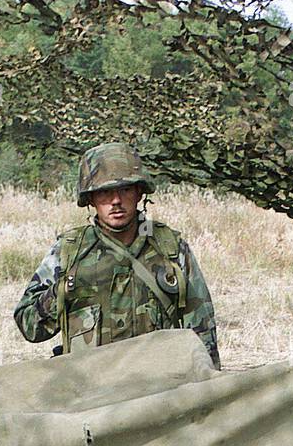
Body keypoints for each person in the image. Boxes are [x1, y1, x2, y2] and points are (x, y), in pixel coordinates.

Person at [14, 142, 220, 367]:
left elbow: (202, 331)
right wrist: (63, 291)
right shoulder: (68, 251)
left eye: (125, 189)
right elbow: (29, 326)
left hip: (157, 386)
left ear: (139, 192)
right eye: (104, 192)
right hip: (91, 388)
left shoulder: (169, 248)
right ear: (90, 198)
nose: (115, 201)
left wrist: (208, 388)